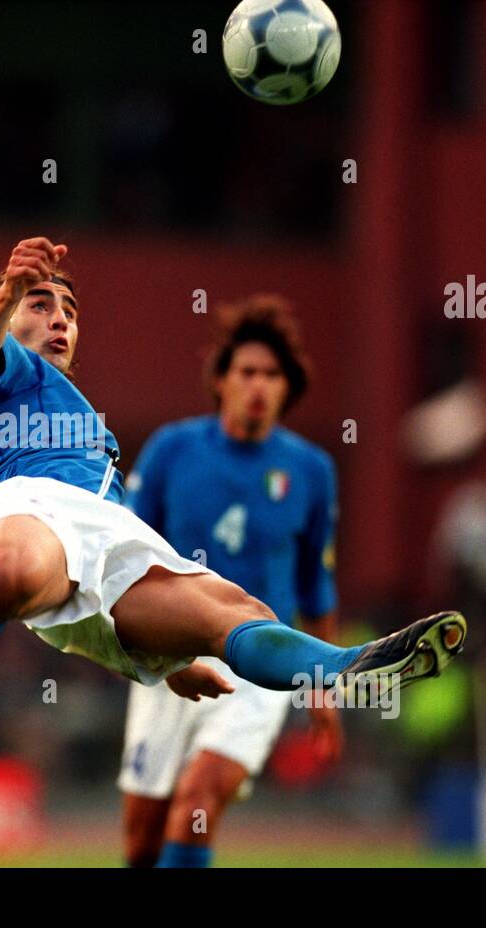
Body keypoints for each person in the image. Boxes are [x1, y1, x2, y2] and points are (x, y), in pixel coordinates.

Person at [0, 237, 466, 819]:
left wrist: (168, 658)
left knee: (235, 611)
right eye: (40, 304)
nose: (59, 317)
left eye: (67, 310)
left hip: (112, 535)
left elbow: (104, 562)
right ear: (7, 317)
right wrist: (9, 288)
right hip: (27, 508)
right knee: (6, 574)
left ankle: (347, 667)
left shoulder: (92, 427)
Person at [118, 295, 342, 868]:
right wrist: (139, 649)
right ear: (220, 381)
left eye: (272, 375)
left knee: (198, 800)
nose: (259, 386)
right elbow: (126, 553)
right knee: (142, 842)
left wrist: (322, 684)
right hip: (171, 654)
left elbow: (316, 583)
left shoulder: (312, 471)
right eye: (247, 372)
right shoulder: (173, 449)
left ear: (288, 388)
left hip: (258, 666)